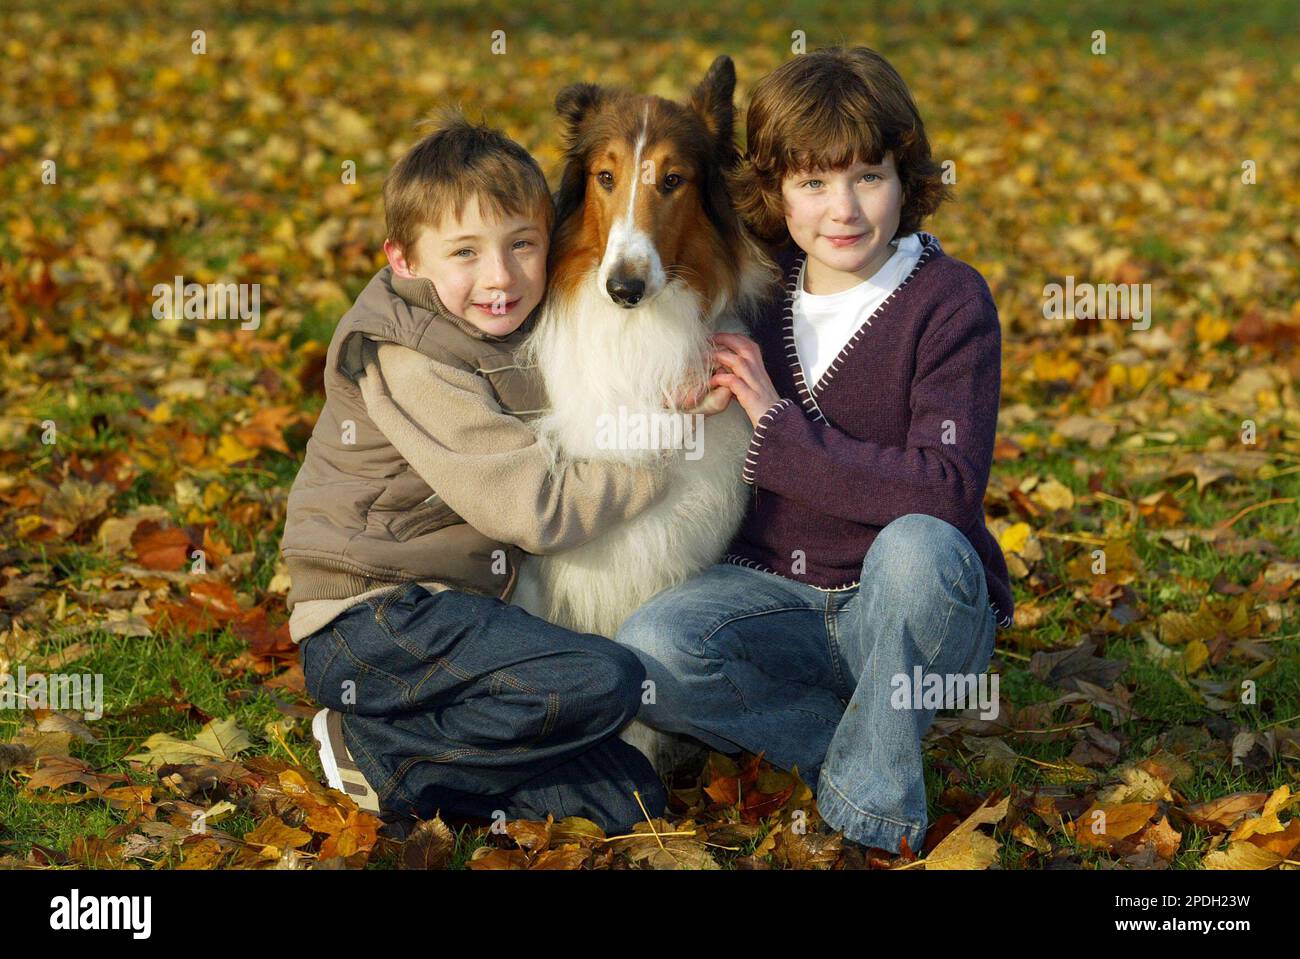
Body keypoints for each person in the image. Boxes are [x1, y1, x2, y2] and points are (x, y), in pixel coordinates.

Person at [614, 46, 1015, 855]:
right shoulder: (758, 286)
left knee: (916, 545)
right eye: (812, 183)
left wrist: (779, 428)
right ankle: (858, 737)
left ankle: (870, 812)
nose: (844, 210)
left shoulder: (949, 300)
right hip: (776, 603)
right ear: (773, 191)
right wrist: (680, 397)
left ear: (906, 176)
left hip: (913, 606)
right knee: (647, 653)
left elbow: (945, 492)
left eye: (868, 176)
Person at [279, 111, 673, 838]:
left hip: (462, 614)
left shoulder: (509, 328)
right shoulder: (411, 356)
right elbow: (538, 510)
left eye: (522, 244)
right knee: (605, 679)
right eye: (465, 253)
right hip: (374, 620)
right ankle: (371, 745)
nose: (500, 277)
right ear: (403, 260)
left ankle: (432, 770)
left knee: (633, 800)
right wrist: (668, 451)